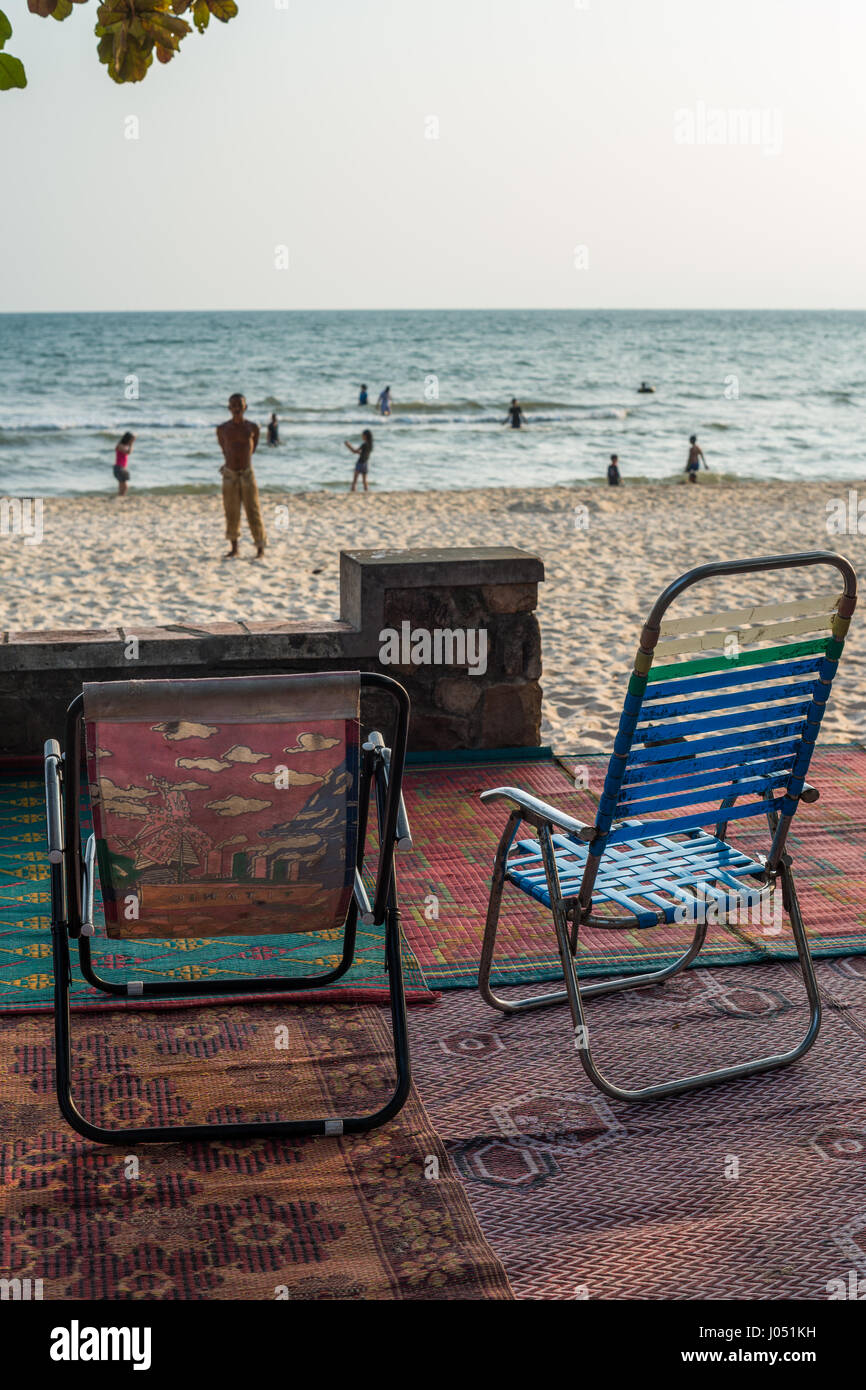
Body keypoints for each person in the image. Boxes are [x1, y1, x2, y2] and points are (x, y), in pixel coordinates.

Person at [216, 394, 266, 559]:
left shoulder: (252, 428)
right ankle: (234, 548)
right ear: (229, 408)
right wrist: (229, 462)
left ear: (245, 407)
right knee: (231, 512)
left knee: (253, 510)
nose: (237, 408)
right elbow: (224, 449)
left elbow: (254, 447)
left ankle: (260, 547)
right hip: (230, 474)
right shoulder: (222, 429)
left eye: (240, 405)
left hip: (246, 473)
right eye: (233, 405)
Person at [345, 428, 373, 493]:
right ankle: (366, 492)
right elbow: (363, 453)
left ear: (365, 436)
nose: (362, 436)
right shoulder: (370, 445)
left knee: (355, 480)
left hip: (360, 463)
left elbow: (354, 451)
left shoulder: (364, 444)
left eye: (362, 435)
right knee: (364, 481)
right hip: (365, 463)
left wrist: (348, 445)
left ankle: (352, 492)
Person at [113, 432, 135, 497]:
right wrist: (131, 444)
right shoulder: (120, 445)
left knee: (122, 485)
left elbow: (128, 452)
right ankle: (121, 496)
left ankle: (120, 496)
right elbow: (128, 452)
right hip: (119, 467)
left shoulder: (122, 445)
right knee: (124, 486)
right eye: (131, 440)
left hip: (121, 467)